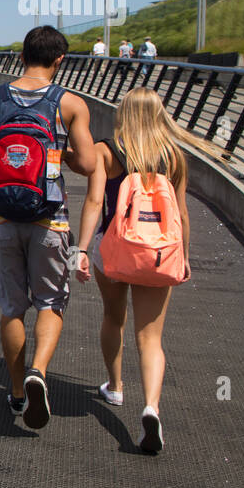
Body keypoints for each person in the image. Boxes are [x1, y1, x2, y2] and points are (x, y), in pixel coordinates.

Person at [72, 87, 222, 452]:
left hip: (115, 249)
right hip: (158, 253)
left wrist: (82, 248)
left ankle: (116, 387)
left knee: (113, 317)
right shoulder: (173, 156)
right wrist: (183, 256)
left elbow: (94, 201)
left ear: (123, 113)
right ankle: (151, 407)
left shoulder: (107, 151)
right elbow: (182, 214)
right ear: (159, 114)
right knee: (151, 337)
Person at [0, 26, 95, 430]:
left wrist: (3, 156)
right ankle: (39, 370)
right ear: (60, 60)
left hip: (3, 219)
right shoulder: (70, 104)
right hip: (49, 219)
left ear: (21, 56)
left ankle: (18, 393)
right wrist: (56, 152)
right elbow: (88, 165)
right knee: (51, 302)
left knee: (11, 308)